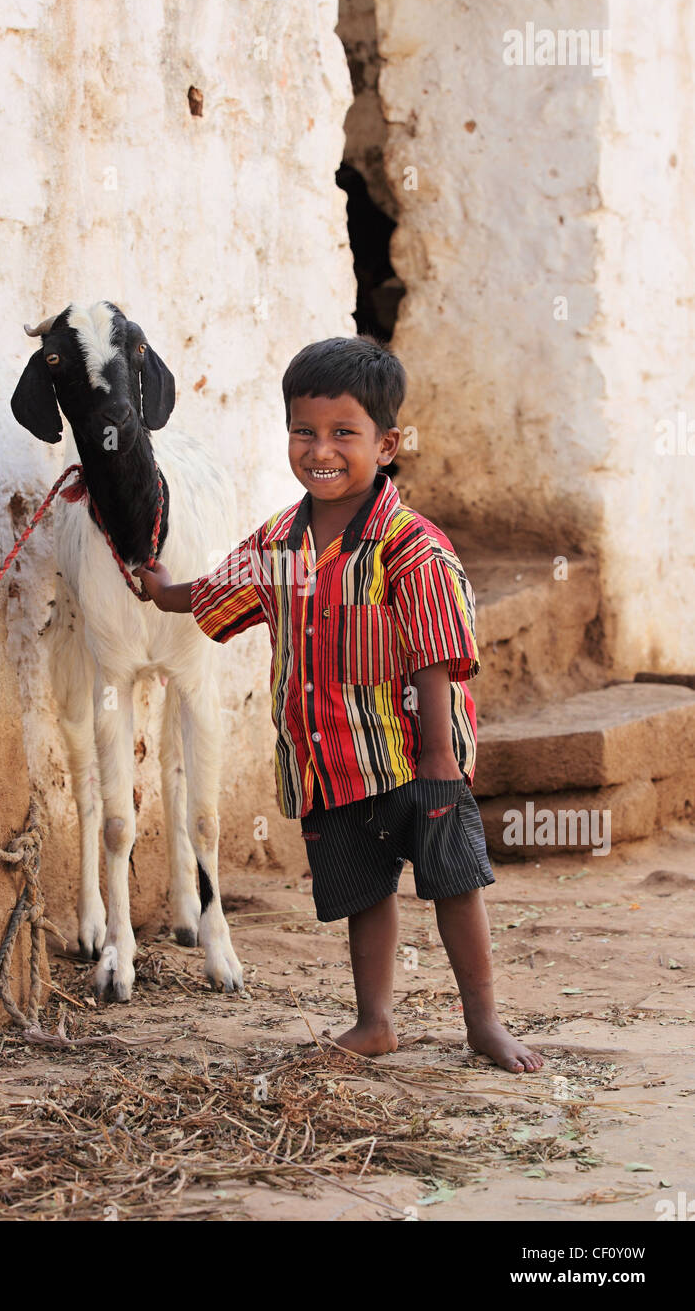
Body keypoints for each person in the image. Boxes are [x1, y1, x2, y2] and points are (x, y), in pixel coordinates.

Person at [135, 337, 543, 1074]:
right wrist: (160, 586)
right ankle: (375, 1021)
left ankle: (485, 1022)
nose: (321, 450)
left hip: (417, 756)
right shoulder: (278, 543)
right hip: (332, 761)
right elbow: (215, 595)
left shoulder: (410, 547)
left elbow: (436, 654)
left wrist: (440, 763)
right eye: (304, 432)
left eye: (343, 434)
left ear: (386, 445)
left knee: (453, 885)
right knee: (365, 892)